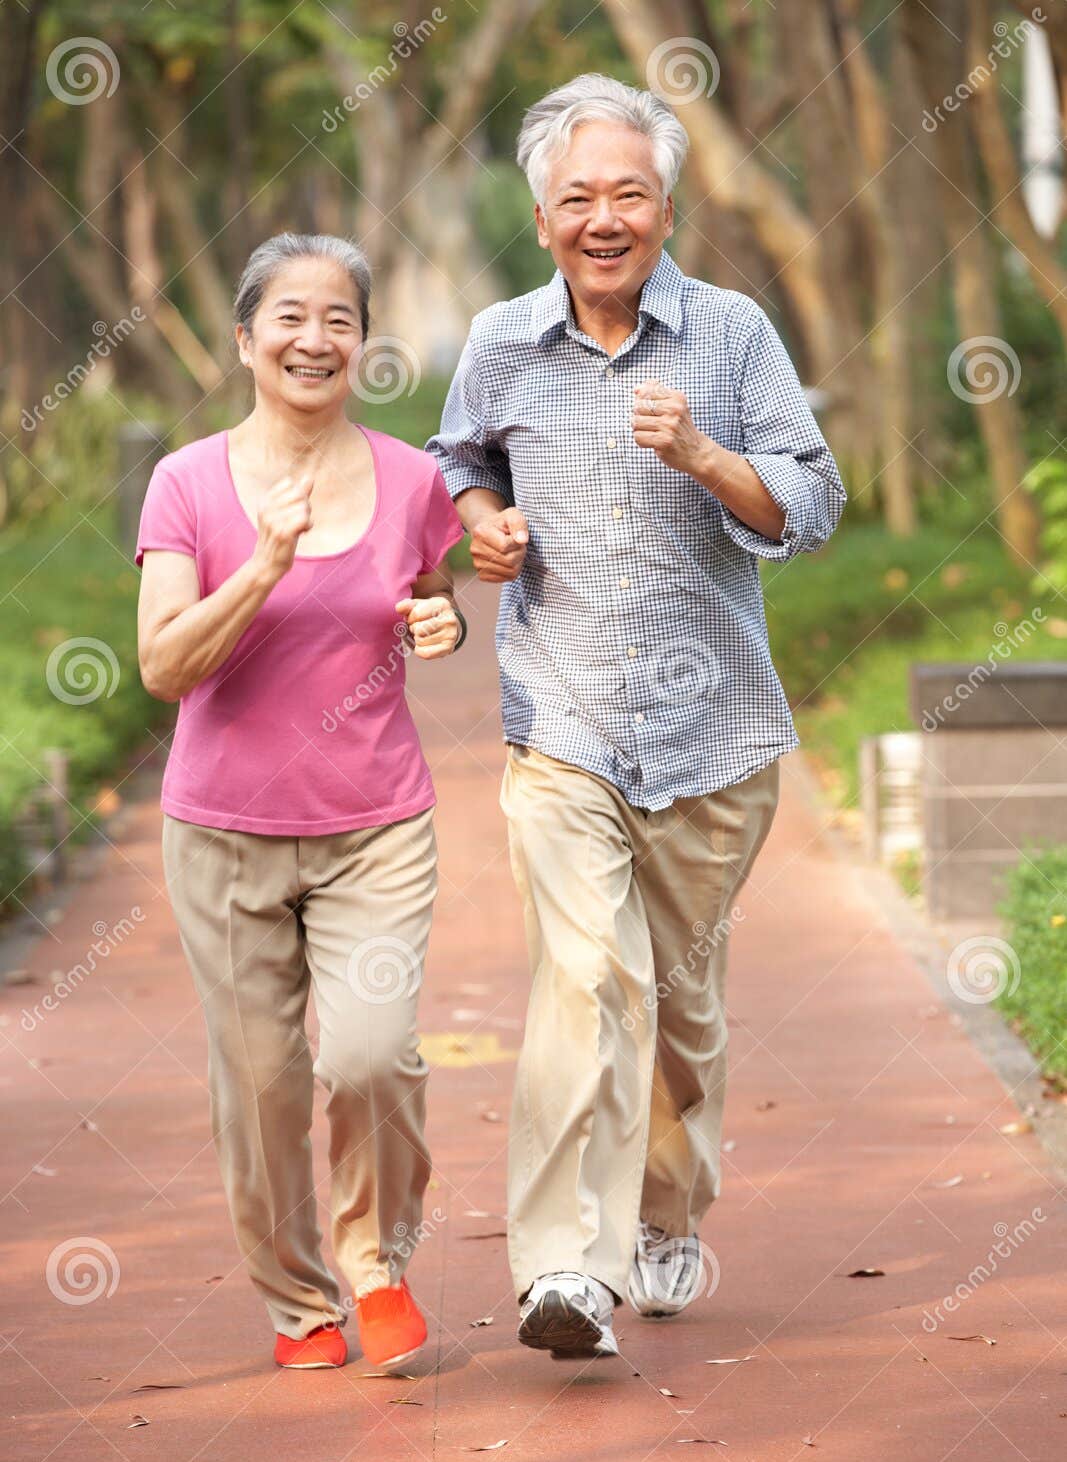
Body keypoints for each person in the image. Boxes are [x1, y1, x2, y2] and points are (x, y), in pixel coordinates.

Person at [426, 75, 846, 1361]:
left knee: (679, 1006)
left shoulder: (729, 336)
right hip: (559, 718)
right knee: (585, 981)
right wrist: (476, 524)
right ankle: (565, 1269)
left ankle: (665, 1210)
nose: (601, 216)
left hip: (713, 733)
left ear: (665, 208)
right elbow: (457, 457)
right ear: (540, 215)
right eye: (575, 197)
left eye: (628, 194)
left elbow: (812, 503)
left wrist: (708, 457)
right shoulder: (500, 340)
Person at [136, 233, 466, 1373]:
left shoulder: (413, 479)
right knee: (265, 1082)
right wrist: (265, 563)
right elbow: (165, 666)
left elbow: (430, 604)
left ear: (361, 345)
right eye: (288, 316)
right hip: (222, 831)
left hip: (374, 820)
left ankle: (374, 1264)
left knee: (370, 1053)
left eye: (337, 318)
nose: (313, 338)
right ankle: (297, 1303)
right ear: (244, 339)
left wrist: (444, 622)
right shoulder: (185, 482)